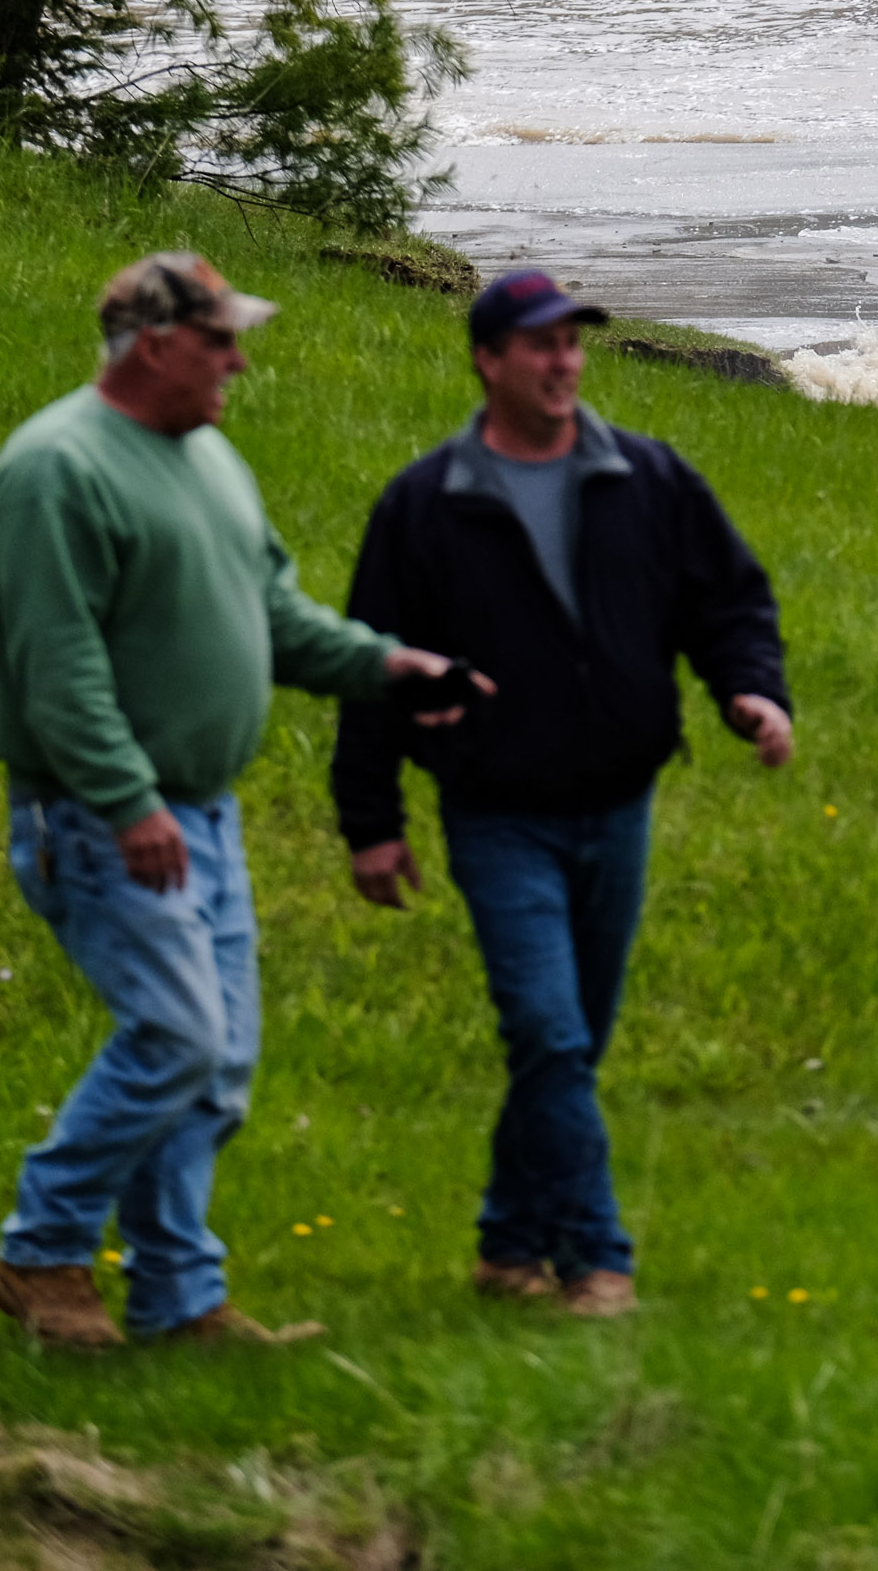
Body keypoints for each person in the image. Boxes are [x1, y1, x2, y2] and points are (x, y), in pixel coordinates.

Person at [0, 252, 471, 1351]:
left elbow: (275, 616)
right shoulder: (56, 469)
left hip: (200, 810)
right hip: (105, 817)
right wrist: (125, 799)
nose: (240, 361)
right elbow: (58, 670)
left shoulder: (207, 456)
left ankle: (176, 1297)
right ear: (156, 345)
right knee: (177, 1035)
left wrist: (391, 665)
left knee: (219, 1062)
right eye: (221, 342)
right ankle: (43, 1249)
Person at [331, 269, 793, 1321]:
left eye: (574, 342)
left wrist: (751, 693)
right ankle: (597, 1259)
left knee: (573, 1036)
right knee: (547, 1033)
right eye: (539, 344)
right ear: (488, 360)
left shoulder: (646, 477)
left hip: (619, 802)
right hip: (498, 814)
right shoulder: (428, 502)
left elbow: (727, 601)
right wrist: (372, 822)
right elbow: (373, 664)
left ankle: (507, 1242)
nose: (564, 361)